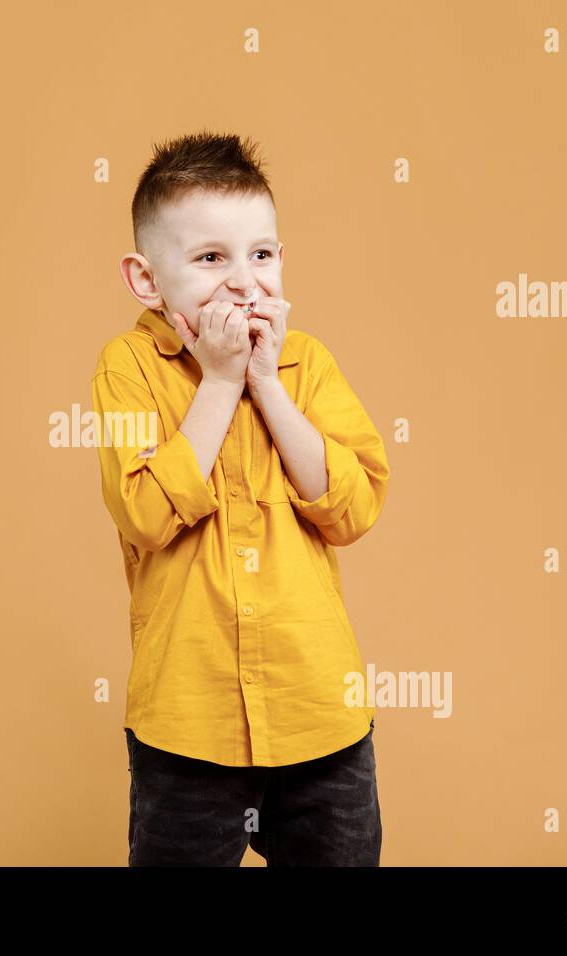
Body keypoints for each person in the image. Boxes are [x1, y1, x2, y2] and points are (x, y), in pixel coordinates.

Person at [91, 130, 391, 866]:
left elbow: (352, 507)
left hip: (318, 715)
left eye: (261, 254)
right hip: (188, 726)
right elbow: (145, 513)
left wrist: (265, 384)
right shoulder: (128, 369)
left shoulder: (306, 363)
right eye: (210, 258)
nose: (242, 280)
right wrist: (220, 383)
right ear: (147, 280)